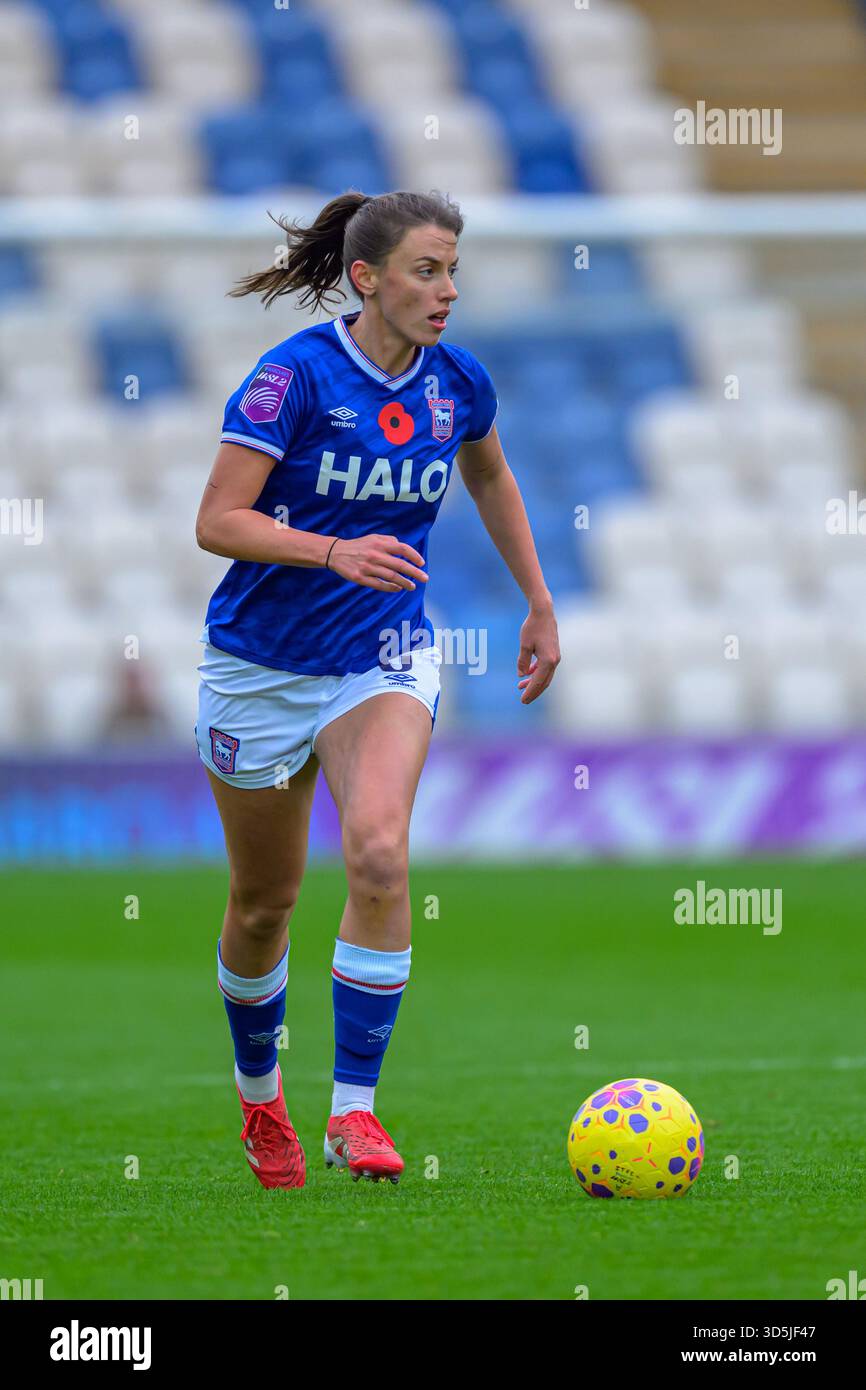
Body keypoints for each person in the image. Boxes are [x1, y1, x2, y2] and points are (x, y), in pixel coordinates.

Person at [194, 188, 560, 1189]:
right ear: (367, 279)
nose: (447, 291)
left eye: (452, 271)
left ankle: (352, 1110)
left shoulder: (455, 383)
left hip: (379, 657)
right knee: (264, 902)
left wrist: (536, 599)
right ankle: (260, 1095)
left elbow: (488, 475)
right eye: (426, 271)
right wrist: (328, 550)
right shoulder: (292, 381)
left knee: (379, 851)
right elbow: (218, 520)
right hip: (258, 668)